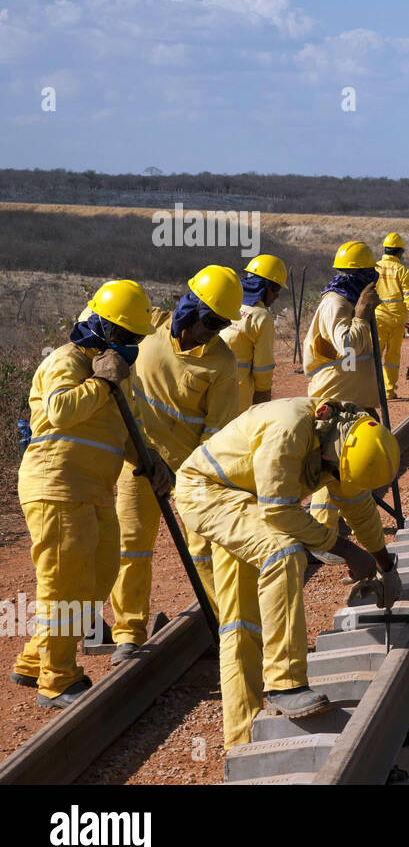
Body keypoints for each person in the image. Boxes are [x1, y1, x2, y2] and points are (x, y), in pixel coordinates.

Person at [173, 399, 400, 749]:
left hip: (246, 501)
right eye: (336, 470)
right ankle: (285, 683)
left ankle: (244, 741)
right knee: (282, 552)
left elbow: (358, 507)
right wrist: (345, 549)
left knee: (241, 624)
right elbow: (279, 511)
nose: (335, 477)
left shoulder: (341, 443)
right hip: (210, 493)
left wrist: (384, 564)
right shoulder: (290, 427)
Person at [11, 280, 171, 707]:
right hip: (57, 485)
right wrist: (102, 383)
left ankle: (33, 659)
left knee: (99, 577)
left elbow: (129, 427)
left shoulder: (118, 375)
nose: (128, 345)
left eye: (133, 338)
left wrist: (151, 461)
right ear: (99, 327)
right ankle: (58, 678)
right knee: (64, 584)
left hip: (96, 489)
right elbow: (60, 412)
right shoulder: (67, 360)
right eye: (121, 336)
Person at [109, 265, 242, 665]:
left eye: (221, 324)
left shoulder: (222, 364)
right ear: (191, 307)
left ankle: (228, 629)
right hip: (137, 461)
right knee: (132, 547)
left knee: (205, 550)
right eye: (210, 320)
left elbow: (214, 433)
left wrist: (190, 477)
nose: (213, 330)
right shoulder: (149, 327)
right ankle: (128, 633)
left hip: (187, 472)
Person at [304, 241, 380, 411]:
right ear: (359, 277)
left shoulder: (351, 301)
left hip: (354, 398)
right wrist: (361, 315)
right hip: (337, 401)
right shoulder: (335, 303)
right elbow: (348, 348)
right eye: (369, 275)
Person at [221, 254, 287, 413]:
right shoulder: (262, 317)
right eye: (276, 289)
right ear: (263, 286)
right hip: (239, 398)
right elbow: (263, 372)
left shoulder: (227, 303)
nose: (277, 295)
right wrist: (261, 409)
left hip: (212, 390)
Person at [375, 232, 409, 400]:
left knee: (374, 356)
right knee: (392, 357)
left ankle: (373, 391)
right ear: (399, 252)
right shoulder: (401, 270)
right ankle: (389, 391)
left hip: (377, 319)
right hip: (396, 320)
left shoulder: (375, 267)